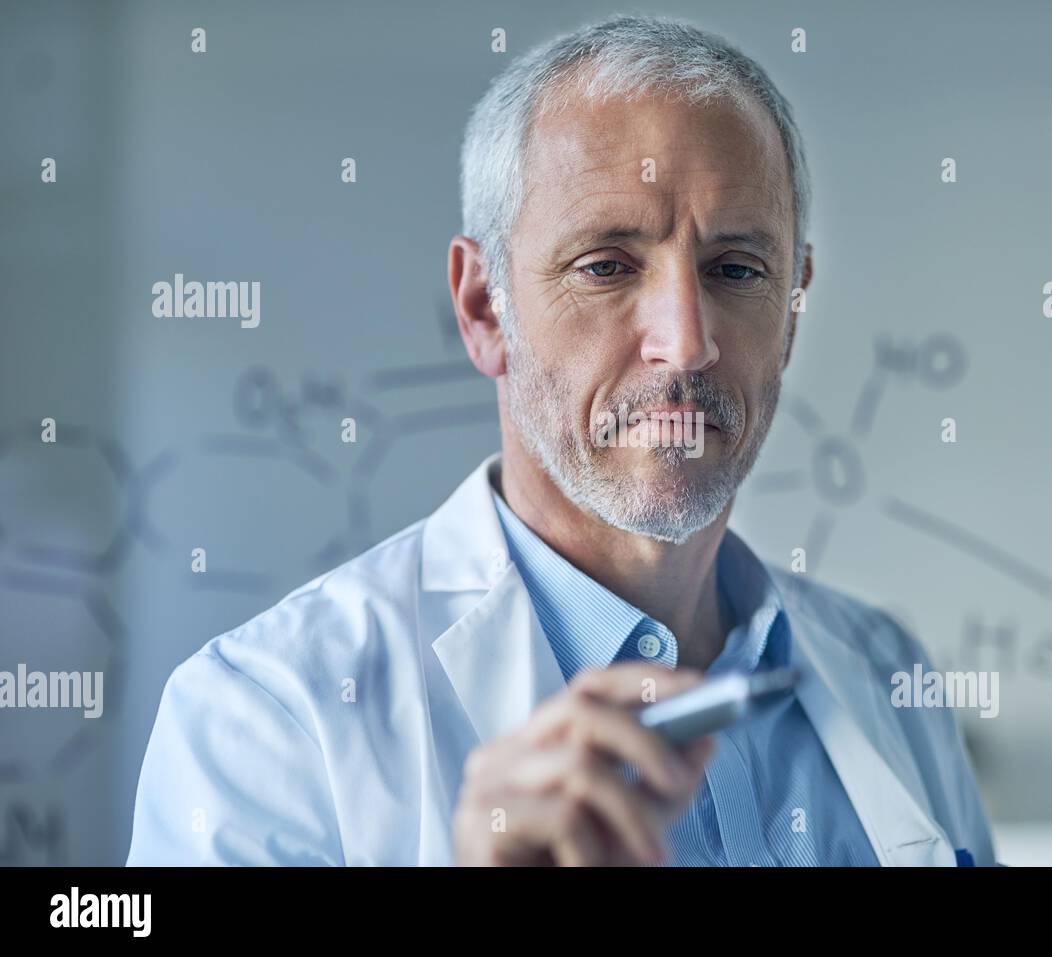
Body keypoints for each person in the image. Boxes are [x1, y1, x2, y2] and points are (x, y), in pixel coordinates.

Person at [126, 14, 996, 867]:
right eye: (607, 266)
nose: (686, 341)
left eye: (736, 270)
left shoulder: (886, 673)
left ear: (794, 307)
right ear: (482, 307)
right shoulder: (267, 718)